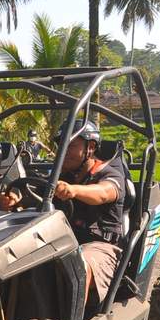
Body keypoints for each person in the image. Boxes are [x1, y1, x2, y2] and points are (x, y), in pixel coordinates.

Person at [53, 120, 126, 308]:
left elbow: (103, 193)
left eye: (70, 145)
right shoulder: (60, 176)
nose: (63, 150)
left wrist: (74, 190)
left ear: (90, 147)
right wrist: (14, 197)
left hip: (103, 248)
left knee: (78, 266)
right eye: (61, 145)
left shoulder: (110, 174)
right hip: (62, 244)